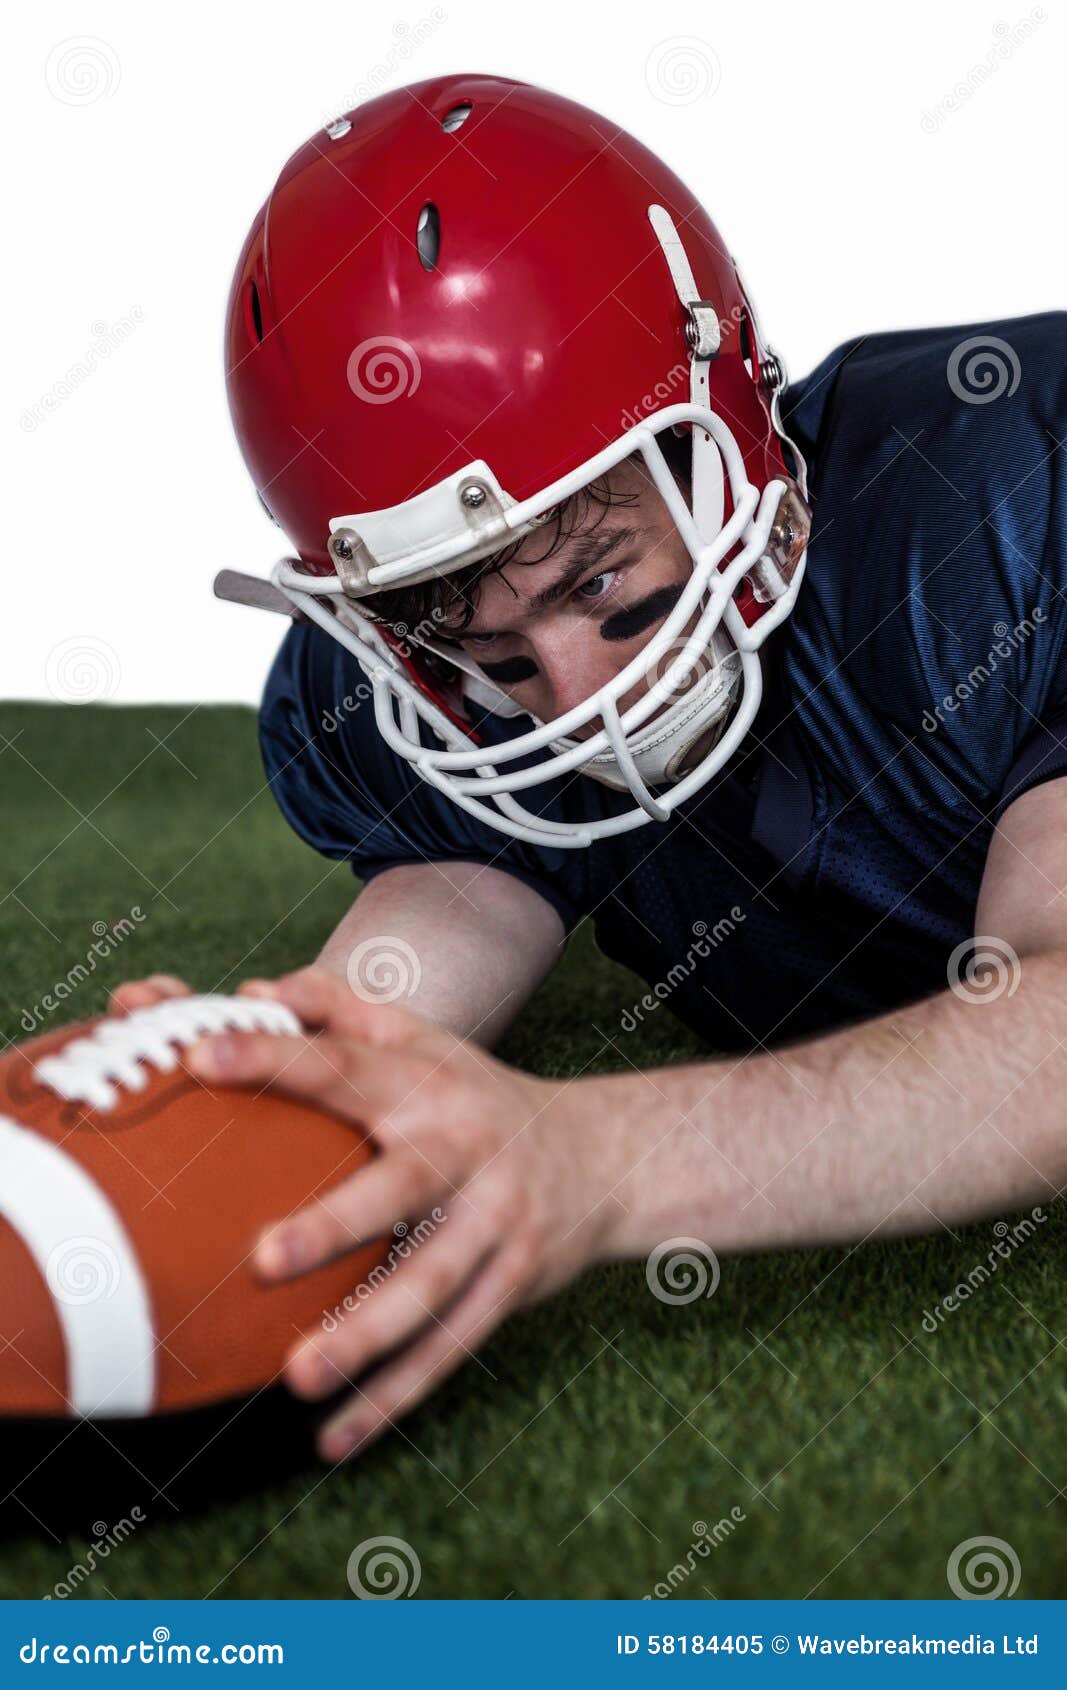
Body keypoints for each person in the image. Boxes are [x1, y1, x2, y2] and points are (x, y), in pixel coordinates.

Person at [119, 74, 1066, 1461]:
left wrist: (592, 1158)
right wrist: (243, 1112)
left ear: (724, 439)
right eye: (494, 650)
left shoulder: (984, 519)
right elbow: (433, 940)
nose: (579, 700)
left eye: (602, 583)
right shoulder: (425, 697)